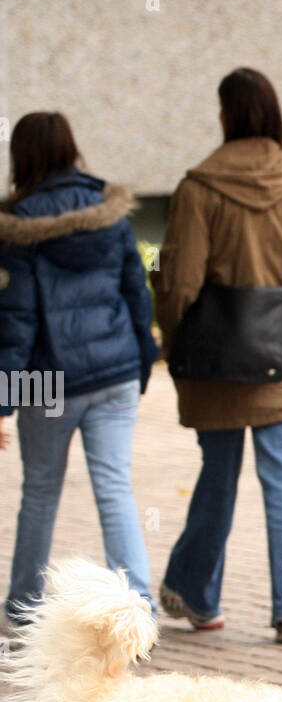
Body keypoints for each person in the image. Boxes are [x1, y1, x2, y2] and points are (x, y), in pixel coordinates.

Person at [153, 67, 282, 644]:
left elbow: (178, 281)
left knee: (218, 476)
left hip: (217, 360)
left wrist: (173, 341)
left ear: (226, 115)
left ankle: (198, 597)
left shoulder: (198, 189)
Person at [0, 112, 157, 625]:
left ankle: (23, 609)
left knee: (41, 490)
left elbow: (16, 325)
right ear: (71, 148)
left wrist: (4, 403)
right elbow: (137, 293)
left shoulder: (18, 225)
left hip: (49, 382)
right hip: (116, 373)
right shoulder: (110, 211)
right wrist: (142, 364)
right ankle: (138, 606)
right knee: (115, 486)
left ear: (22, 156)